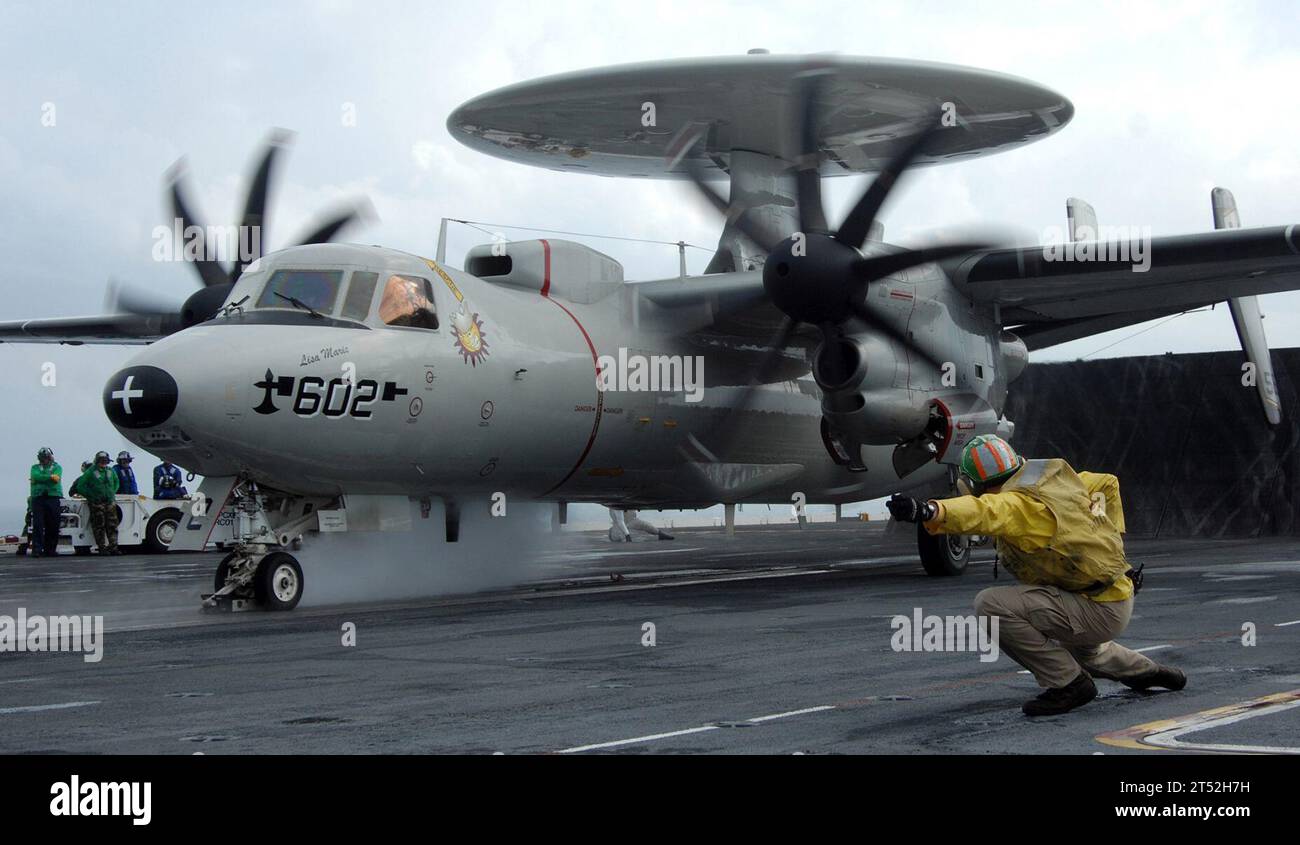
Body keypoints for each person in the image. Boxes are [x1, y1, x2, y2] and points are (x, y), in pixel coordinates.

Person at [887, 434, 1185, 717]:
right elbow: (1107, 484)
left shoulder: (1016, 504)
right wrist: (1113, 548)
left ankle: (1068, 684)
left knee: (990, 606)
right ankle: (1150, 672)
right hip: (1110, 595)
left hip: (1095, 609)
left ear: (971, 483)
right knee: (1090, 654)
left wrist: (927, 510)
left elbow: (984, 511)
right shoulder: (1060, 484)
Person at [78, 451, 121, 555]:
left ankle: (113, 547)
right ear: (97, 461)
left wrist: (112, 493)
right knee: (99, 526)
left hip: (110, 502)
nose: (103, 463)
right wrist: (90, 496)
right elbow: (80, 486)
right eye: (101, 461)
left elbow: (116, 482)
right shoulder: (91, 472)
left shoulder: (110, 471)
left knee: (112, 525)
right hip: (97, 503)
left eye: (105, 461)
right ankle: (102, 548)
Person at [28, 447, 63, 557]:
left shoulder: (57, 467)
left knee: (53, 524)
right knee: (38, 524)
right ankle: (37, 549)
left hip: (53, 497)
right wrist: (49, 477)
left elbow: (56, 479)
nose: (45, 459)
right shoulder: (35, 468)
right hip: (38, 497)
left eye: (47, 457)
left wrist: (40, 479)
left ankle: (50, 549)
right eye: (42, 458)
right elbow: (35, 476)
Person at [608, 507, 674, 542]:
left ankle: (661, 534)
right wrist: (627, 536)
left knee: (646, 525)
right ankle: (612, 532)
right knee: (620, 537)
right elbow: (620, 521)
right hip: (618, 526)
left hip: (632, 520)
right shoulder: (615, 504)